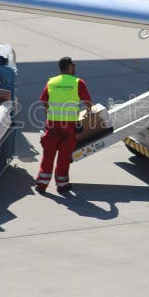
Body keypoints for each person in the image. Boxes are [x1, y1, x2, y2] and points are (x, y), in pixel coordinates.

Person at [36, 56, 92, 195]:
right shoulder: (78, 82)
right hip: (69, 126)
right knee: (64, 156)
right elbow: (87, 102)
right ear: (69, 66)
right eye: (73, 65)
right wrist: (89, 113)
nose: (75, 68)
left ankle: (42, 184)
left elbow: (44, 101)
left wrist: (50, 114)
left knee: (48, 154)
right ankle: (62, 184)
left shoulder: (51, 82)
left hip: (53, 124)